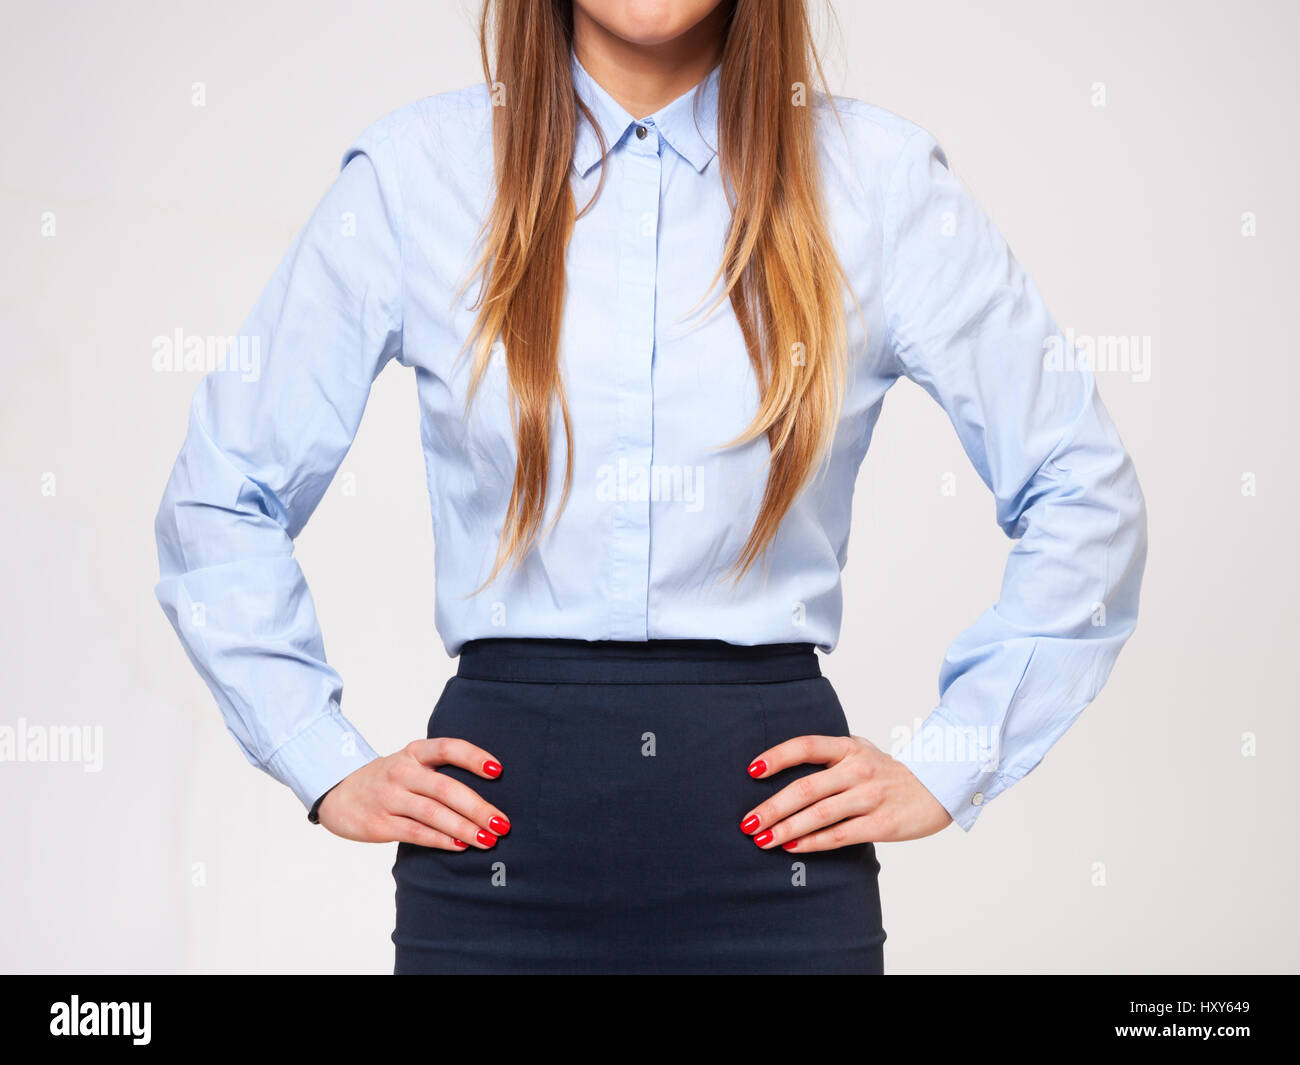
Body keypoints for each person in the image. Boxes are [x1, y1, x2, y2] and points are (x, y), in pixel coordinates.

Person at [153, 0, 1148, 974]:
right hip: (495, 844)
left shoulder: (880, 184)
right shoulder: (415, 177)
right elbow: (221, 492)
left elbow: (1082, 491)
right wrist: (315, 754)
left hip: (773, 847)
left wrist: (954, 759)